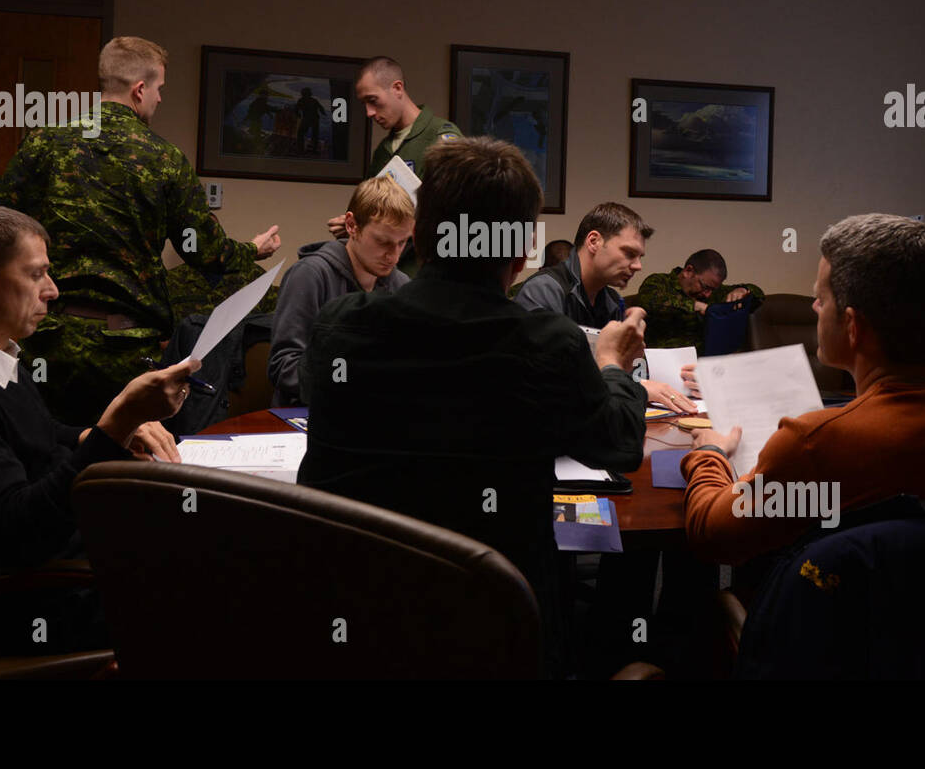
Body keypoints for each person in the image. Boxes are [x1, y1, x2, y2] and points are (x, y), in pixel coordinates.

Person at [298, 138, 647, 676]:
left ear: (419, 235)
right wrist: (611, 367)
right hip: (496, 633)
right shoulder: (547, 343)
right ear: (522, 251)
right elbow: (620, 445)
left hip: (351, 622)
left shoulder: (340, 326)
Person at [0, 207, 196, 650]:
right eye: (37, 274)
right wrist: (116, 422)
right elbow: (20, 534)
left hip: (57, 568)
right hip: (18, 606)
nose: (52, 291)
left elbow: (39, 437)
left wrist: (93, 436)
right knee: (213, 587)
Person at [680, 213, 925, 567]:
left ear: (852, 326)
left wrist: (709, 453)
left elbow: (713, 535)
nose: (814, 307)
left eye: (821, 298)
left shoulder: (813, 445)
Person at [0, 36, 281, 425]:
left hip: (48, 337)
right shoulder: (163, 158)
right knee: (124, 458)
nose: (160, 99)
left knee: (47, 449)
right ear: (140, 89)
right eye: (159, 89)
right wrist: (252, 250)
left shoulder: (43, 143)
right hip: (125, 349)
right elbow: (204, 252)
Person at [515, 203, 697, 414]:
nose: (638, 265)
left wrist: (685, 381)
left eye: (640, 257)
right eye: (629, 253)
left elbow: (622, 372)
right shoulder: (544, 291)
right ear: (594, 241)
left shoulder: (611, 301)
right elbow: (545, 380)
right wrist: (635, 386)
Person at [268, 177, 414, 406]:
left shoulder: (401, 284)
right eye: (382, 242)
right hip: (310, 415)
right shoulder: (310, 276)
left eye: (402, 243)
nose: (394, 256)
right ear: (351, 226)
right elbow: (284, 367)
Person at [325, 56, 461, 241]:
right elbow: (373, 208)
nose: (369, 112)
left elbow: (453, 215)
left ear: (397, 88)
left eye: (373, 100)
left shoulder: (441, 138)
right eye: (364, 103)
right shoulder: (383, 151)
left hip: (421, 266)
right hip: (383, 265)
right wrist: (356, 222)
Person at [637, 248, 764, 352]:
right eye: (705, 287)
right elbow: (651, 301)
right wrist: (696, 306)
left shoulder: (715, 293)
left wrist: (743, 290)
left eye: (713, 290)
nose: (708, 295)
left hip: (705, 365)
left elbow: (758, 296)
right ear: (688, 271)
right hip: (663, 361)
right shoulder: (659, 282)